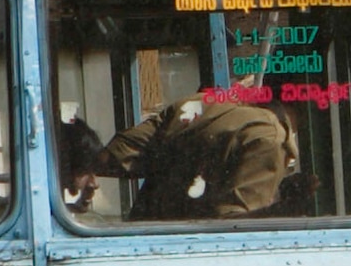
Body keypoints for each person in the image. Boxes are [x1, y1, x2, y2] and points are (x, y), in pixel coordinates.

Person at [84, 88, 298, 222]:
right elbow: (236, 227)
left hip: (142, 240)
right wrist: (285, 207)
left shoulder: (207, 103)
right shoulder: (270, 137)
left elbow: (109, 158)